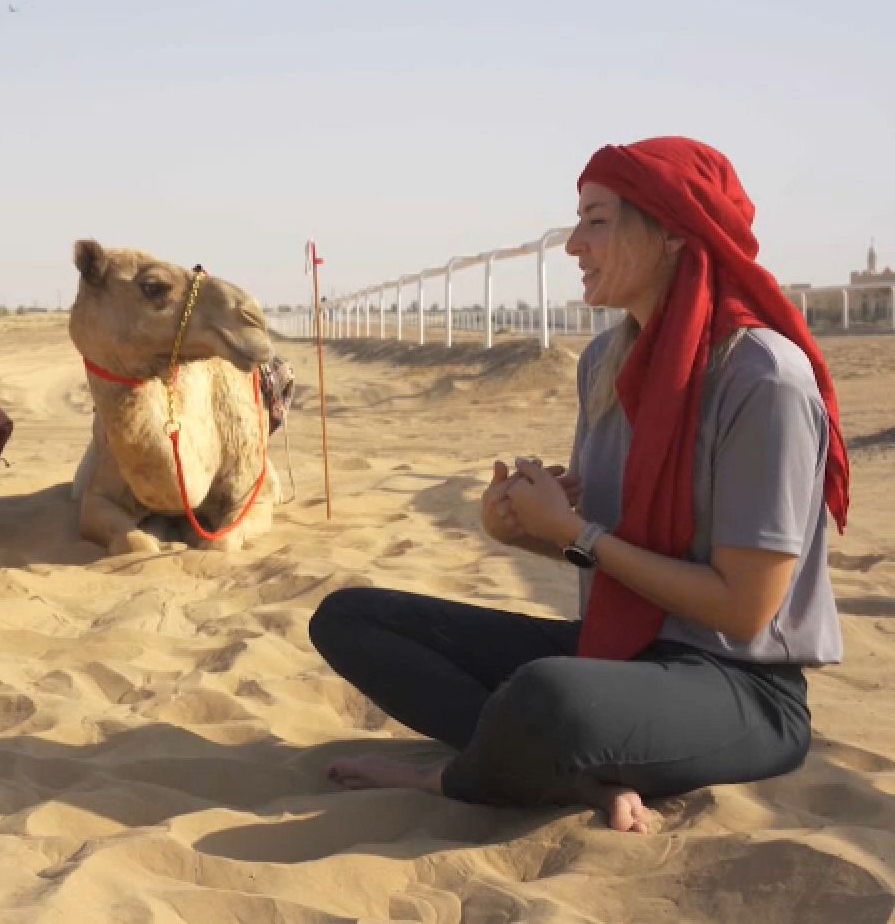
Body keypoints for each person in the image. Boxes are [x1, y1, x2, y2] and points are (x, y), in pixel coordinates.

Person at [308, 137, 850, 833]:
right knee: (350, 619)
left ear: (675, 236)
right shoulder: (605, 360)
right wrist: (523, 529)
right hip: (618, 651)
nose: (572, 244)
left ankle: (460, 776)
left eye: (597, 220)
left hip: (740, 684)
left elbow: (743, 609)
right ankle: (573, 771)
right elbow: (608, 553)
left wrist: (575, 533)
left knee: (549, 696)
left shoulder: (760, 379)